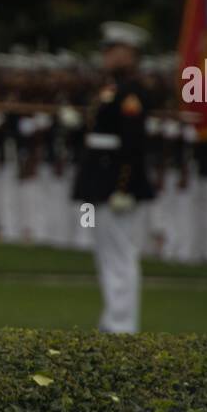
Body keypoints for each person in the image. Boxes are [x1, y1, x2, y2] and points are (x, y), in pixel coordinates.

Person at [72, 21, 156, 332]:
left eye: (114, 50)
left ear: (131, 54)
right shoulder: (110, 89)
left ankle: (123, 322)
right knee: (106, 253)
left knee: (121, 253)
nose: (107, 55)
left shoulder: (133, 93)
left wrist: (124, 186)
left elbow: (133, 144)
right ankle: (113, 317)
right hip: (98, 178)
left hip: (116, 182)